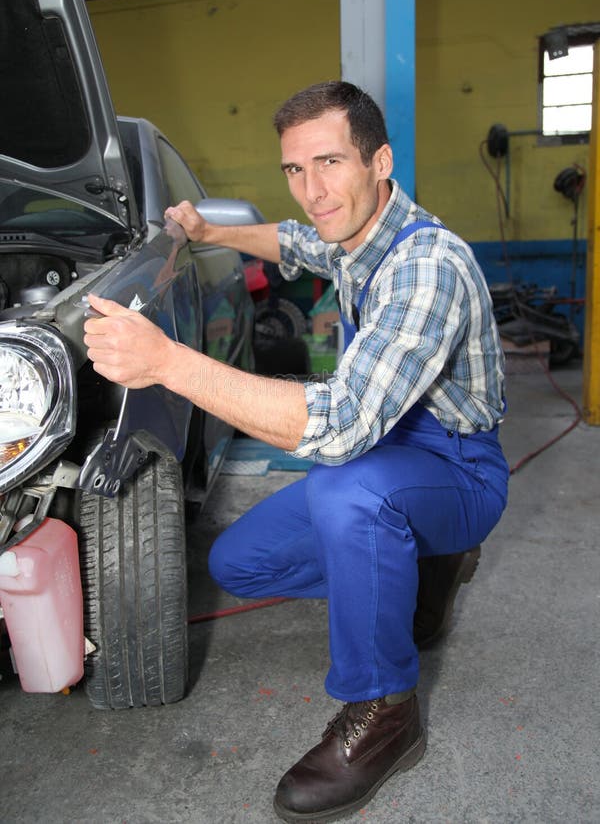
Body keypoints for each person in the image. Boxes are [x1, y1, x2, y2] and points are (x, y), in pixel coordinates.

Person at [84, 81, 509, 823]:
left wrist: (165, 362)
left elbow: (343, 425)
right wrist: (209, 234)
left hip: (458, 468)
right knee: (239, 563)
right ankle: (420, 565)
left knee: (347, 489)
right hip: (391, 455)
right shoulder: (350, 232)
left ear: (380, 161)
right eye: (295, 170)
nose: (314, 191)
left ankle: (384, 712)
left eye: (331, 163)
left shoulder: (425, 265)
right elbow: (288, 238)